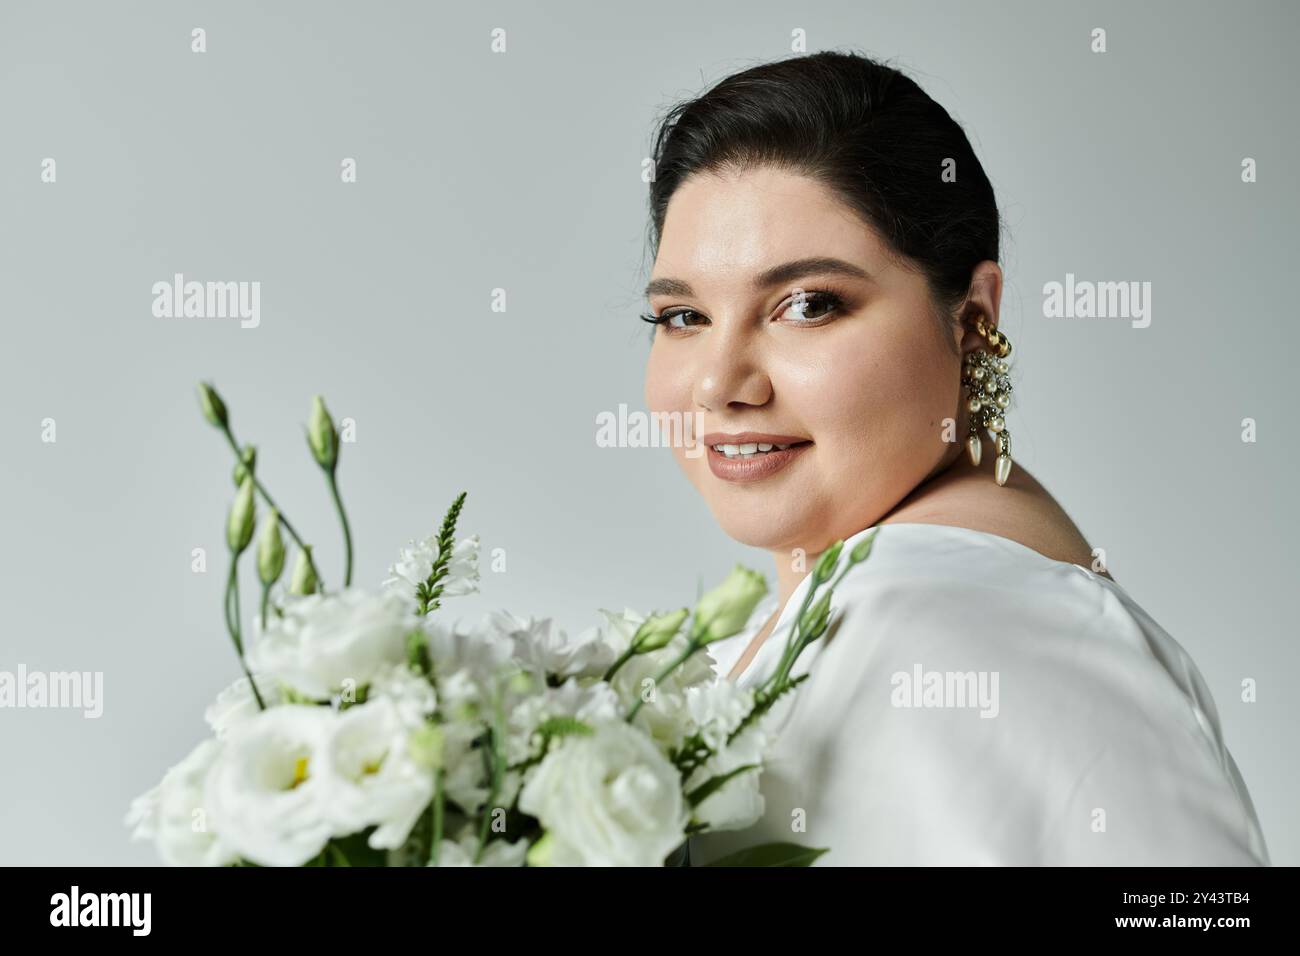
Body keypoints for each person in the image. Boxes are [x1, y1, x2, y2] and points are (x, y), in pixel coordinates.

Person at [640, 50, 1269, 865]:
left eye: (807, 305)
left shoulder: (948, 618)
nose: (722, 383)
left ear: (972, 316)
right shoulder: (913, 605)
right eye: (683, 316)